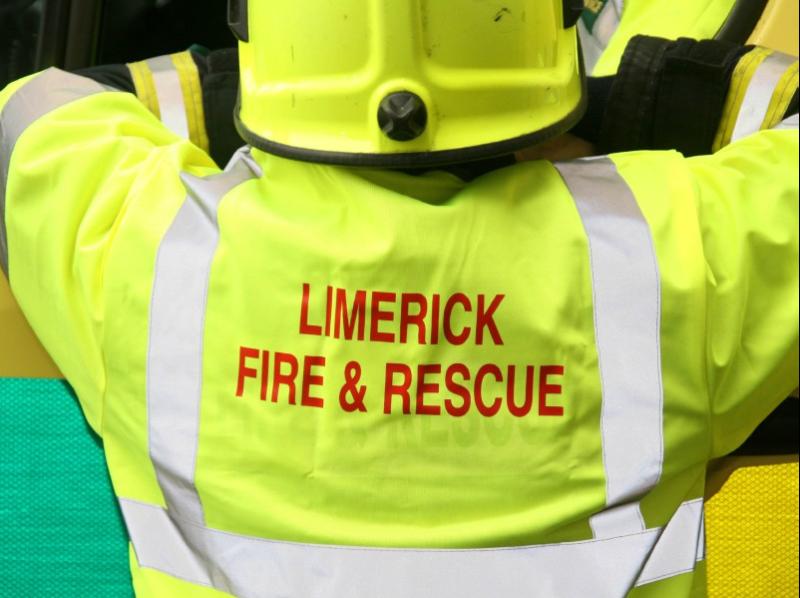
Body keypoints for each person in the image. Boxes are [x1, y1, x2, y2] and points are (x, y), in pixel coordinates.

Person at [0, 1, 797, 596]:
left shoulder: (148, 251)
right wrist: (642, 97)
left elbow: (36, 106)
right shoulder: (669, 259)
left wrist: (247, 85)